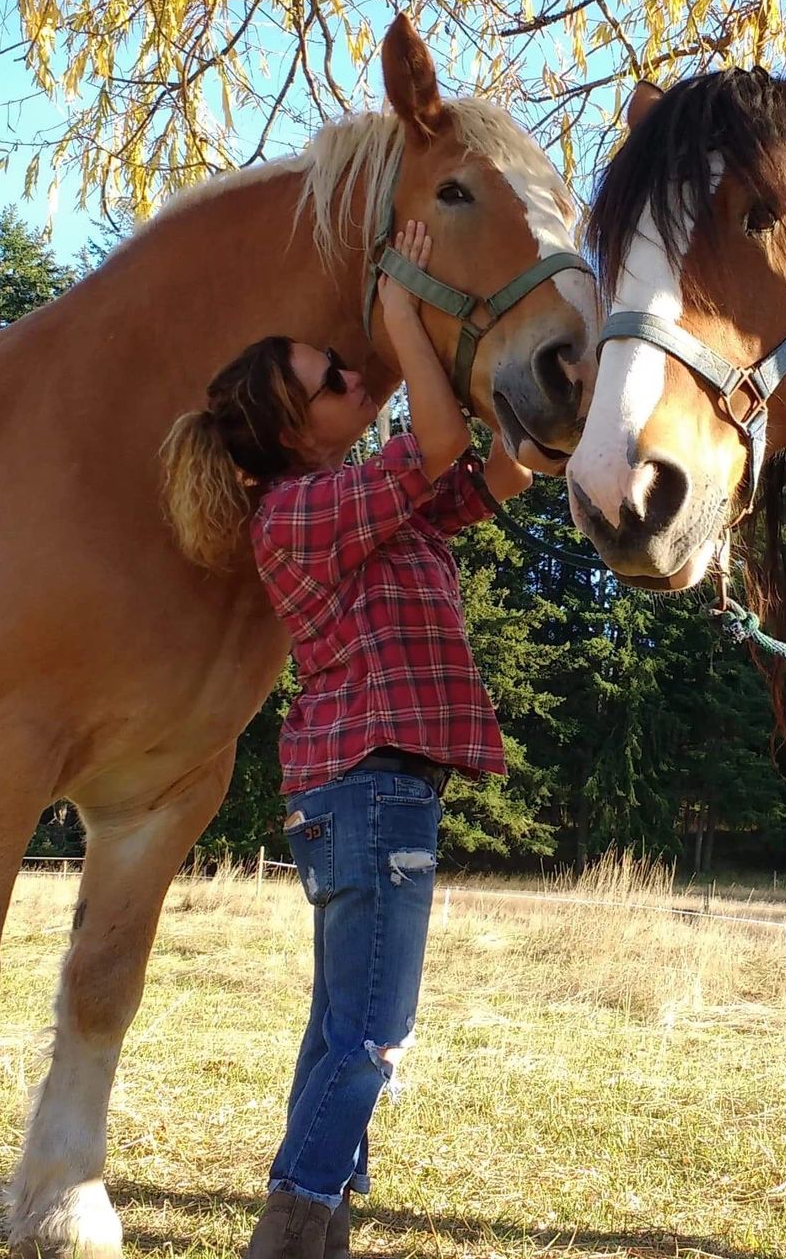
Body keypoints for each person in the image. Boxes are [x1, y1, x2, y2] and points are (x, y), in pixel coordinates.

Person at [159, 221, 533, 1259]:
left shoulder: (372, 510)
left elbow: (496, 472)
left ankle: (316, 1231)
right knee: (372, 1037)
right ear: (295, 423)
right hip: (367, 792)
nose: (351, 373)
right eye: (331, 375)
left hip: (368, 794)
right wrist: (406, 312)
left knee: (339, 1033)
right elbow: (442, 445)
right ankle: (290, 1233)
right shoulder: (298, 512)